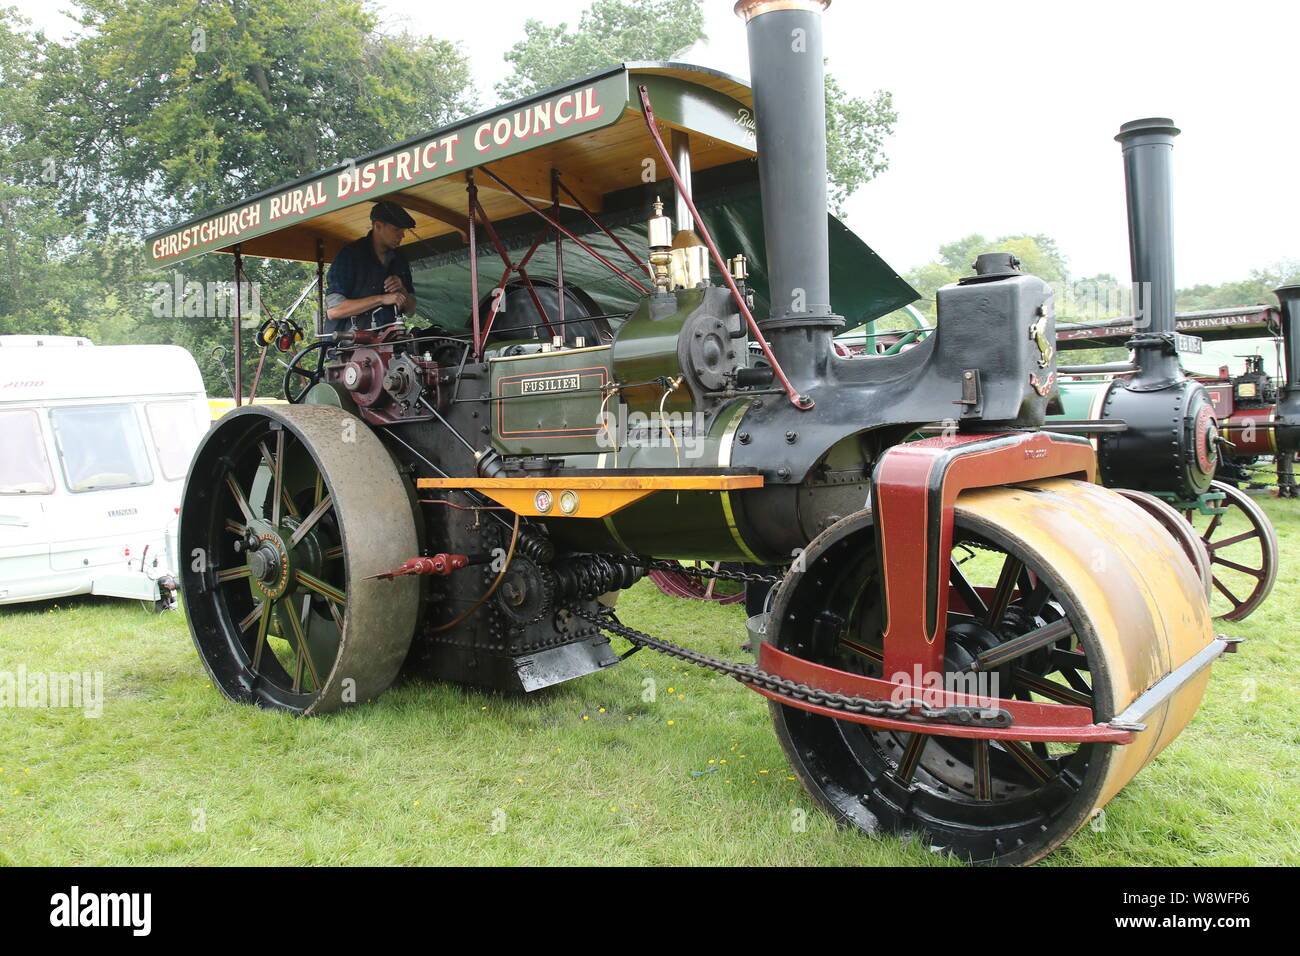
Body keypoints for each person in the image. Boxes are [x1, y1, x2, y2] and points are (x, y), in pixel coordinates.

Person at [324, 200, 419, 335]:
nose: (402, 235)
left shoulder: (400, 258)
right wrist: (381, 299)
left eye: (403, 231)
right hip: (346, 347)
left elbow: (411, 310)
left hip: (387, 344)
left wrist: (402, 290)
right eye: (396, 230)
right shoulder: (350, 255)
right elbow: (334, 311)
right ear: (378, 226)